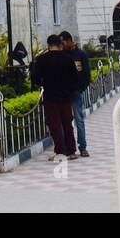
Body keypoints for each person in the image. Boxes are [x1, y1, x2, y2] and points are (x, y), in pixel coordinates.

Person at [31, 33, 79, 161]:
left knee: (55, 125)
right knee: (67, 123)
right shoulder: (68, 58)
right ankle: (72, 150)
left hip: (50, 96)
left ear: (48, 45)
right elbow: (74, 78)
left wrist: (43, 83)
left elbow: (36, 79)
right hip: (65, 96)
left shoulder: (42, 60)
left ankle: (60, 151)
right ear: (59, 44)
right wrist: (69, 90)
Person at [60, 31, 91, 158]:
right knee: (65, 121)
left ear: (69, 41)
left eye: (63, 43)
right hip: (64, 94)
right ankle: (67, 147)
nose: (62, 45)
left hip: (76, 93)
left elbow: (87, 75)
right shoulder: (62, 55)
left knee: (79, 120)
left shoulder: (81, 55)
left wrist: (80, 89)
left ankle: (82, 147)